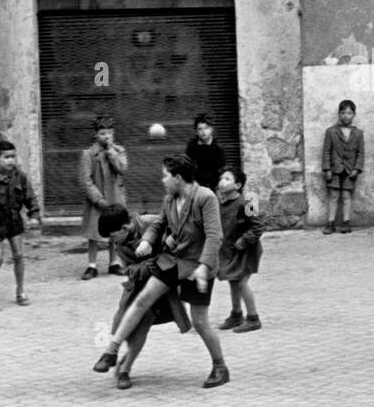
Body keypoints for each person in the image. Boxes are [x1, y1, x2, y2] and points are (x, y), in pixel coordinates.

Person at [93, 155, 229, 388]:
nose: (162, 179)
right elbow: (158, 224)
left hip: (197, 266)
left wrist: (204, 267)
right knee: (143, 299)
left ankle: (220, 367)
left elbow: (215, 236)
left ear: (178, 177)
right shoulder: (169, 199)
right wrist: (147, 240)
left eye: (166, 175)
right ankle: (112, 351)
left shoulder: (205, 197)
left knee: (200, 322)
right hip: (172, 261)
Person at [95, 204, 191, 390]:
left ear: (124, 228)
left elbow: (177, 237)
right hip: (139, 286)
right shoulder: (120, 245)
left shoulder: (151, 223)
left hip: (162, 286)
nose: (113, 242)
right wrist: (148, 266)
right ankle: (117, 356)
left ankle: (125, 369)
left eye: (114, 236)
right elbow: (129, 268)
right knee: (127, 324)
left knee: (142, 326)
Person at [0, 140, 42, 307]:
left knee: (18, 255)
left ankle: (20, 292)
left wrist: (34, 215)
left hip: (14, 221)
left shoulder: (20, 176)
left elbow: (30, 197)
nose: (11, 161)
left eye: (13, 157)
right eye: (6, 157)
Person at [214, 168, 264, 333]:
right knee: (233, 281)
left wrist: (244, 239)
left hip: (248, 249)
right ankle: (236, 315)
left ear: (238, 185)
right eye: (221, 178)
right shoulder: (220, 203)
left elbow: (258, 226)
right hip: (232, 250)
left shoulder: (249, 200)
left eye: (227, 179)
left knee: (241, 283)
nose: (222, 181)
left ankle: (253, 318)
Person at [78, 116, 128, 280]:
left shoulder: (119, 151)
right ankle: (92, 265)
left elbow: (122, 169)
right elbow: (86, 180)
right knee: (94, 232)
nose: (106, 136)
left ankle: (114, 262)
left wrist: (111, 153)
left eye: (109, 133)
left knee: (115, 230)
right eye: (102, 133)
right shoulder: (88, 154)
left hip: (115, 197)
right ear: (96, 135)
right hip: (97, 200)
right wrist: (98, 200)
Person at [321, 99, 364, 234]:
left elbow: (361, 153)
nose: (346, 116)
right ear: (339, 114)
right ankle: (330, 222)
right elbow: (326, 151)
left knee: (346, 195)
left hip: (350, 169)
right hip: (335, 168)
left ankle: (346, 222)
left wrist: (357, 168)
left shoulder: (358, 133)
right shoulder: (331, 131)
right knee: (333, 195)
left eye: (349, 113)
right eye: (343, 113)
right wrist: (327, 168)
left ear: (354, 115)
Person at [185, 114, 226, 192]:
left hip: (214, 185)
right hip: (196, 185)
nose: (203, 131)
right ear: (196, 131)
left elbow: (221, 168)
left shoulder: (218, 148)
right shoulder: (192, 147)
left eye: (206, 128)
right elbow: (187, 166)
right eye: (200, 129)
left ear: (211, 129)